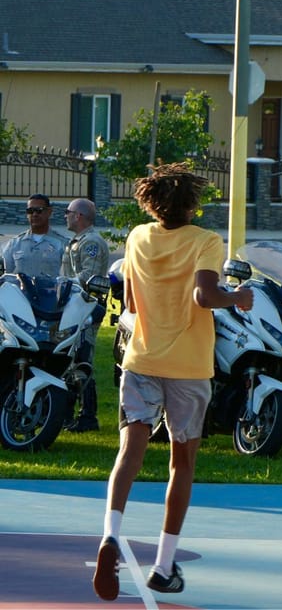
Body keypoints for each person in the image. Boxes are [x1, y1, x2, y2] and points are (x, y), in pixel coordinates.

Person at [92, 164, 254, 601]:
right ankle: (163, 565)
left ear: (149, 202)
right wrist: (236, 297)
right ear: (193, 204)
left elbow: (129, 302)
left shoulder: (138, 237)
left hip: (140, 359)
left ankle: (110, 534)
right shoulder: (205, 241)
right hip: (188, 367)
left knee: (130, 451)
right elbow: (204, 296)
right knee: (181, 462)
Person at [60, 198, 111, 433]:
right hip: (73, 307)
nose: (65, 216)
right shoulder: (76, 242)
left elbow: (87, 275)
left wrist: (60, 283)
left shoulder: (90, 242)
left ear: (79, 216)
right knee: (70, 359)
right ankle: (67, 413)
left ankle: (88, 416)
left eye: (68, 212)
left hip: (86, 308)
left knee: (82, 360)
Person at [1, 193, 69, 277]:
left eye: (39, 210)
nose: (35, 214)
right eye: (30, 211)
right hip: (21, 290)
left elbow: (68, 276)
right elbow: (6, 275)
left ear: (49, 212)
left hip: (50, 289)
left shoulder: (62, 243)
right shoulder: (15, 244)